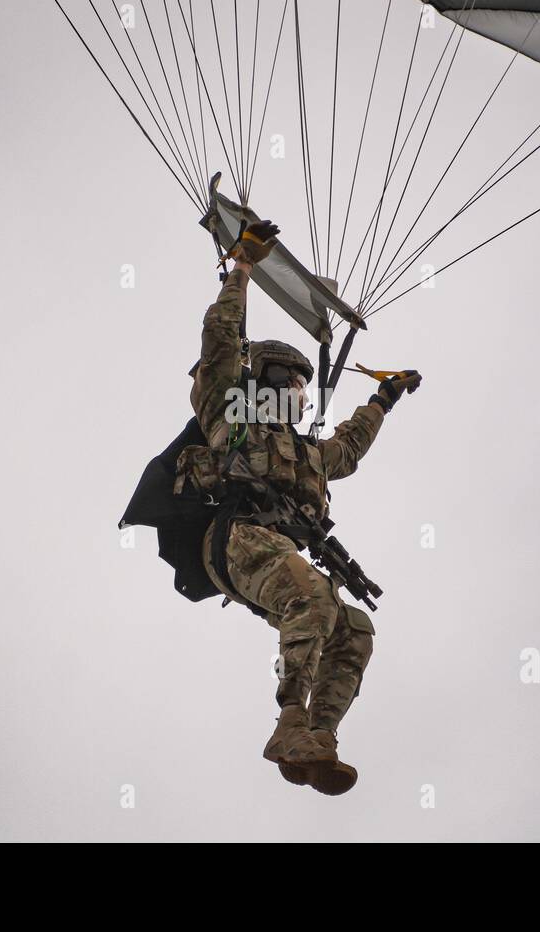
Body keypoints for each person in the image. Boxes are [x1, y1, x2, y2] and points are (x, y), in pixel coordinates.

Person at [183, 220, 420, 795]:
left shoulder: (310, 454)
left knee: (354, 629)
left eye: (300, 388)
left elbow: (350, 447)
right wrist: (241, 268)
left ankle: (318, 739)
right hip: (239, 539)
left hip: (278, 549)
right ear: (259, 380)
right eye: (286, 381)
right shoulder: (230, 418)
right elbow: (220, 339)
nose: (294, 393)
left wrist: (383, 399)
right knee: (312, 594)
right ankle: (289, 722)